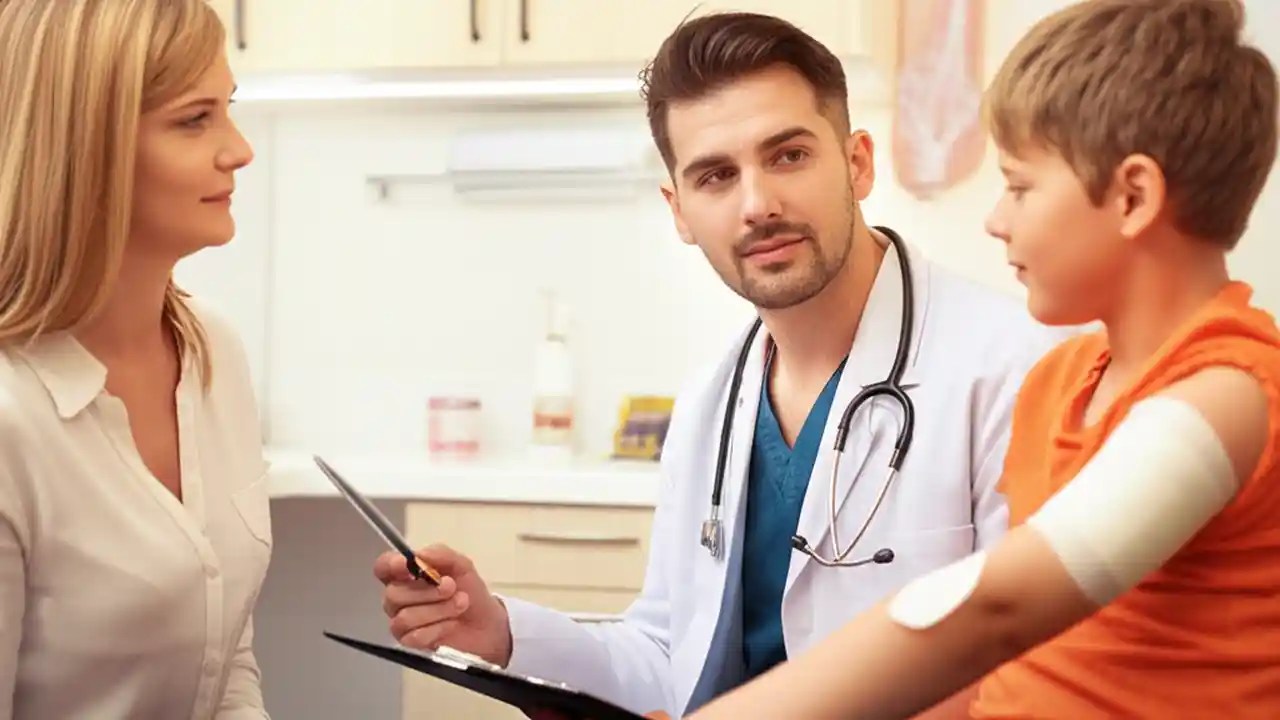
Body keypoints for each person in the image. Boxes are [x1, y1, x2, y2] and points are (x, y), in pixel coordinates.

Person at [375, 11, 1059, 719]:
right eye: (715, 177)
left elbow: (1033, 665)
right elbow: (672, 658)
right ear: (679, 210)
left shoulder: (1010, 368)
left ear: (858, 162)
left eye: (788, 155)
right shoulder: (712, 404)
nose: (758, 205)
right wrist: (503, 633)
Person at [679, 0, 1280, 718]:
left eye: (1020, 185)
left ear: (1132, 196)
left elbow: (993, 610)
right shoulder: (1059, 384)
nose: (995, 219)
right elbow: (987, 670)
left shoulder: (1229, 394)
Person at [0, 1, 271, 718]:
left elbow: (227, 659)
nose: (239, 149)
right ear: (84, 146)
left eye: (229, 108)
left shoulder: (214, 353)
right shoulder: (10, 416)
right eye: (195, 118)